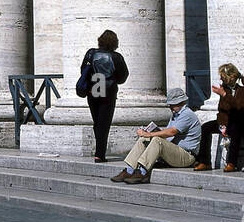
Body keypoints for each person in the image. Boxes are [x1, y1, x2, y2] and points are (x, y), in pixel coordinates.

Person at [111, 88, 201, 181]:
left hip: (187, 156)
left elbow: (171, 132)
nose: (170, 107)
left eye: (172, 105)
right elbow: (168, 133)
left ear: (180, 103)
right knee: (144, 140)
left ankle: (142, 172)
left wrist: (150, 134)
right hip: (175, 152)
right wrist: (149, 133)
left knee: (156, 140)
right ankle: (130, 170)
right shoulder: (176, 115)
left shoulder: (187, 114)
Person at [76, 30, 130, 162]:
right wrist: (112, 78)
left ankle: (99, 152)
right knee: (104, 123)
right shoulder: (116, 57)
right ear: (114, 42)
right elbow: (123, 76)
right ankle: (99, 154)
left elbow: (83, 70)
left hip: (94, 88)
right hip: (108, 89)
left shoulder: (91, 53)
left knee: (97, 121)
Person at [195, 62, 244, 172]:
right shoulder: (225, 87)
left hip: (241, 120)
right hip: (227, 120)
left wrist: (225, 95)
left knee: (236, 129)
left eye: (223, 77)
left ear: (231, 76)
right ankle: (204, 161)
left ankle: (232, 163)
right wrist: (222, 124)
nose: (221, 80)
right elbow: (222, 109)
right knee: (206, 127)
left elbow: (240, 105)